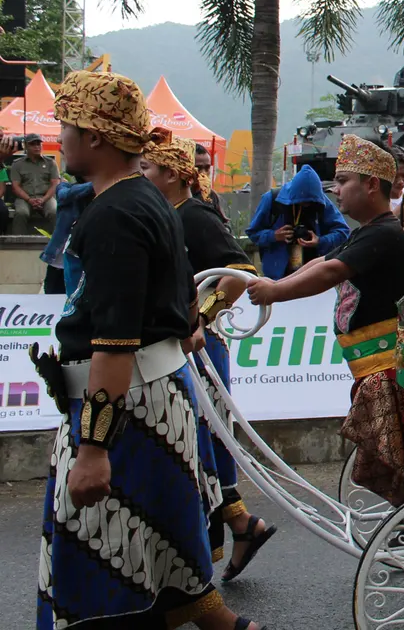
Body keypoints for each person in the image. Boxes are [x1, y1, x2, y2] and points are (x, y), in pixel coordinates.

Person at [39, 71, 263, 629]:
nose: (60, 137)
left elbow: (113, 342)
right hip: (150, 400)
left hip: (126, 411)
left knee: (98, 575)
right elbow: (187, 304)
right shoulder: (147, 203)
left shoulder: (116, 214)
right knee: (161, 561)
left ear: (95, 136)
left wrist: (92, 450)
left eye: (67, 125)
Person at [247, 136, 404, 505]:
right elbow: (321, 261)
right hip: (372, 365)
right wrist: (274, 283)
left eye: (344, 180)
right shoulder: (366, 232)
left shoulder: (385, 234)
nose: (335, 190)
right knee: (400, 450)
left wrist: (274, 293)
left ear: (370, 185)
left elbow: (330, 271)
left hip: (390, 367)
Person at [140, 128, 278, 583]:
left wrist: (197, 318)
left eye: (148, 169)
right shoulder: (165, 214)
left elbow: (238, 274)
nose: (142, 175)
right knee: (197, 441)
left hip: (199, 348)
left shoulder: (193, 214)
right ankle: (240, 526)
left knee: (201, 438)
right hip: (181, 346)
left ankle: (214, 544)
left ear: (175, 176)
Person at [246, 163, 349, 280]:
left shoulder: (321, 202)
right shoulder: (271, 199)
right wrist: (274, 236)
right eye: (302, 201)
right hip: (277, 278)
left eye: (310, 202)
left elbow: (343, 233)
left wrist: (320, 241)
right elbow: (253, 233)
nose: (306, 204)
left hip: (314, 276)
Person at [37, 177, 95, 295]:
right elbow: (64, 195)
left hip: (85, 260)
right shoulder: (65, 187)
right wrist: (97, 183)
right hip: (59, 261)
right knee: (51, 296)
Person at [9, 133, 60, 234]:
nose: (37, 147)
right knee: (21, 213)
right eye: (33, 144)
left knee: (54, 211)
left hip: (46, 197)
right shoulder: (17, 164)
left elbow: (55, 184)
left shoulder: (50, 163)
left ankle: (58, 243)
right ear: (26, 146)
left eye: (39, 144)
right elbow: (15, 186)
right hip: (25, 198)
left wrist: (43, 199)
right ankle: (18, 242)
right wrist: (29, 199)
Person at [193, 143, 231, 225]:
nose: (203, 173)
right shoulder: (176, 196)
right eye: (198, 168)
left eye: (207, 168)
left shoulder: (212, 196)